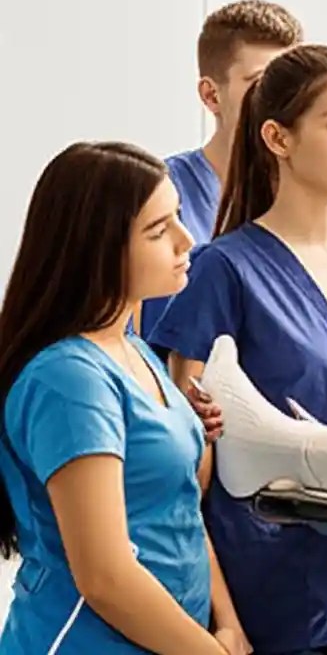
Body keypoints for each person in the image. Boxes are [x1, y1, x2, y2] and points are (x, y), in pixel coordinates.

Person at [148, 44, 327, 655]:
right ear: (278, 137)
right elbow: (185, 473)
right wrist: (222, 616)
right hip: (253, 587)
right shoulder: (225, 271)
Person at [0, 142, 248, 653]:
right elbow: (106, 577)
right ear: (98, 247)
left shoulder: (135, 352)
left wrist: (228, 624)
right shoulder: (71, 380)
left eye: (179, 217)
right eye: (159, 231)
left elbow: (180, 506)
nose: (187, 240)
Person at [136, 0, 303, 341]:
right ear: (211, 95)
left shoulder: (315, 200)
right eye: (260, 84)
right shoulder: (160, 196)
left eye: (297, 86)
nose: (285, 103)